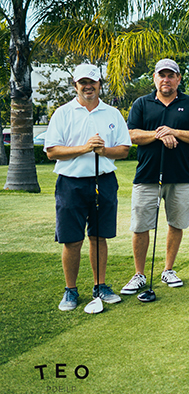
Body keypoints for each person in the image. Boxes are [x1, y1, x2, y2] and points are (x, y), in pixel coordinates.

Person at [45, 64, 131, 311]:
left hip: (103, 181)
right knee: (72, 239)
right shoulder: (63, 113)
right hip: (70, 183)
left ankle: (100, 285)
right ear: (75, 85)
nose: (88, 86)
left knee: (99, 235)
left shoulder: (112, 113)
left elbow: (124, 149)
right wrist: (84, 148)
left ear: (100, 84)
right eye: (83, 82)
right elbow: (52, 151)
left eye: (92, 82)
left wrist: (104, 151)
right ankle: (70, 291)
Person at [122, 59, 189, 294]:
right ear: (154, 78)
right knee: (141, 226)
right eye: (162, 75)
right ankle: (139, 274)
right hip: (147, 175)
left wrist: (174, 132)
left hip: (180, 176)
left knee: (176, 224)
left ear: (179, 79)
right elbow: (131, 134)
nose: (166, 80)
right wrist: (159, 134)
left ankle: (168, 269)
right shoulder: (142, 103)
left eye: (171, 75)